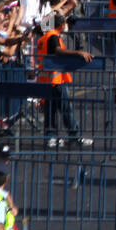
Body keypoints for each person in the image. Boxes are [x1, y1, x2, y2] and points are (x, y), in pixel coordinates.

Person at [36, 15, 93, 148]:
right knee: (66, 109)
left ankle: (50, 137)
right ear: (61, 25)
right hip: (55, 79)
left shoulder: (43, 38)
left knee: (50, 110)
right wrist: (78, 53)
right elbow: (58, 51)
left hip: (45, 79)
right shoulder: (53, 36)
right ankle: (74, 136)